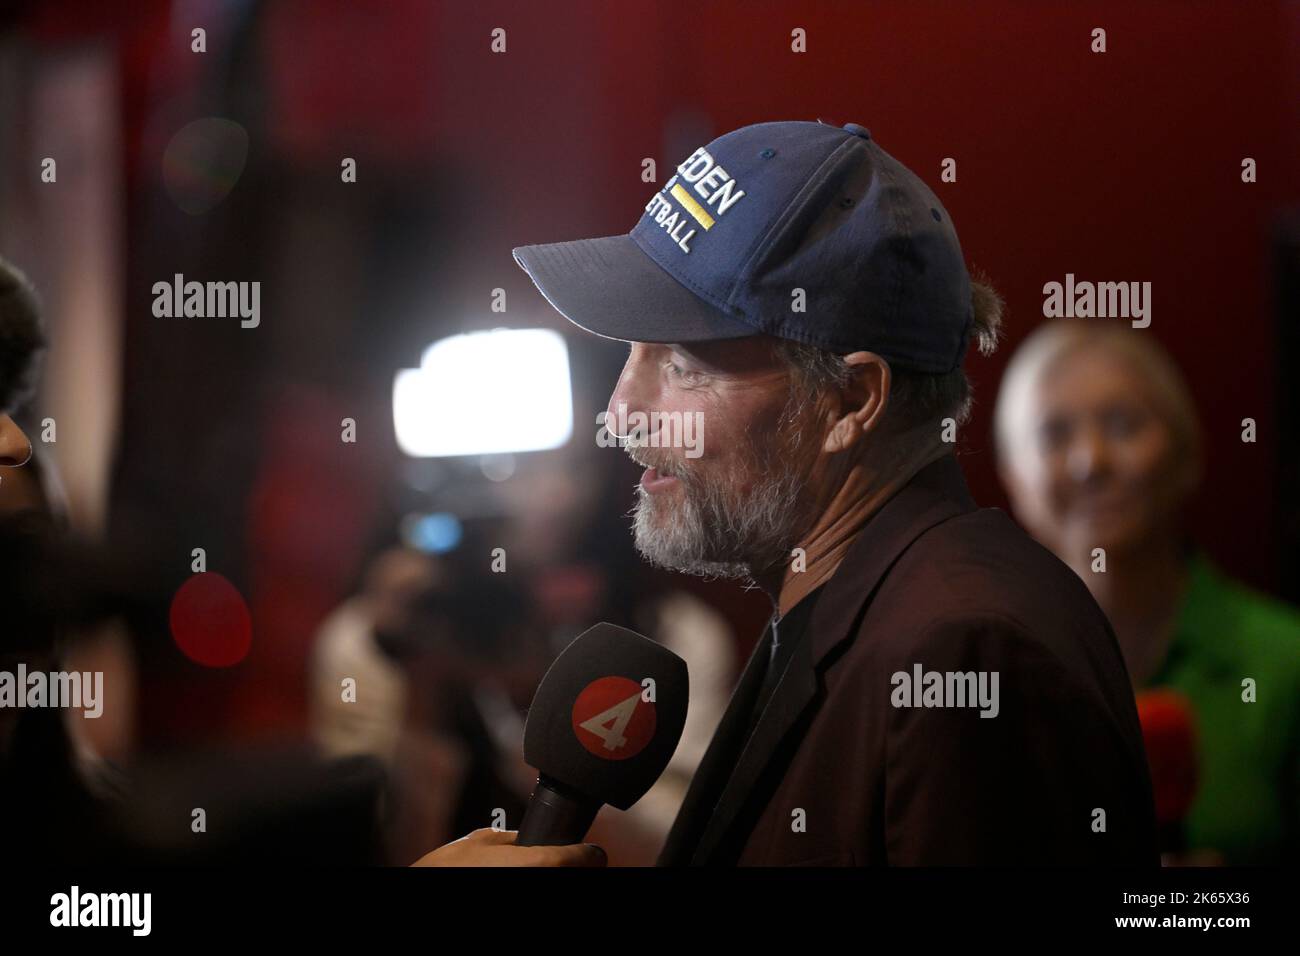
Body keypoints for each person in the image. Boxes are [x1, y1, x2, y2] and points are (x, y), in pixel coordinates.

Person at [414, 119, 1158, 866]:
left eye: (681, 363)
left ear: (850, 399)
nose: (620, 416)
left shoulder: (965, 650)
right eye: (629, 353)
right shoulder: (848, 611)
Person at [994, 318, 1300, 864]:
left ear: (1187, 452)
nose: (1093, 461)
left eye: (1123, 424)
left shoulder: (1286, 664)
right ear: (1014, 480)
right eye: (1055, 435)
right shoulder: (982, 673)